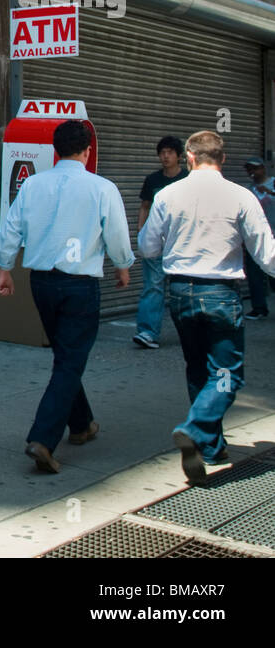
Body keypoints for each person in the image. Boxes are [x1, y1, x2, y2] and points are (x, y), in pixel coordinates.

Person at [0, 120, 133, 474]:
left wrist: (4, 268)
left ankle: (82, 424)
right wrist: (123, 265)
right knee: (70, 360)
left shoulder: (33, 185)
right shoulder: (102, 187)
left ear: (55, 150)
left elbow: (12, 228)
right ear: (87, 151)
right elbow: (116, 234)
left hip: (42, 283)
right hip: (79, 286)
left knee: (66, 356)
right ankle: (42, 438)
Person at [139, 131, 275, 485]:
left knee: (198, 369)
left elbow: (148, 247)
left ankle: (211, 448)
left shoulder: (168, 194)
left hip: (181, 292)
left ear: (189, 157)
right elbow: (266, 255)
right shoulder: (240, 196)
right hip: (221, 295)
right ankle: (196, 430)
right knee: (228, 373)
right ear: (223, 159)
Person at [133, 136, 188, 348]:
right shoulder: (153, 180)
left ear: (179, 156)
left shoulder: (188, 180)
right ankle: (147, 332)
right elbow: (145, 206)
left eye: (170, 152)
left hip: (182, 245)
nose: (165, 156)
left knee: (181, 290)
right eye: (162, 152)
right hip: (155, 242)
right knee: (152, 287)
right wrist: (141, 231)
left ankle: (189, 332)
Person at [241, 156, 275, 320]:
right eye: (249, 169)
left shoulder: (273, 183)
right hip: (255, 238)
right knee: (254, 274)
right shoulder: (249, 190)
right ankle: (259, 308)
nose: (252, 172)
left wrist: (269, 192)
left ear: (263, 168)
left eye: (255, 168)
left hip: (273, 237)